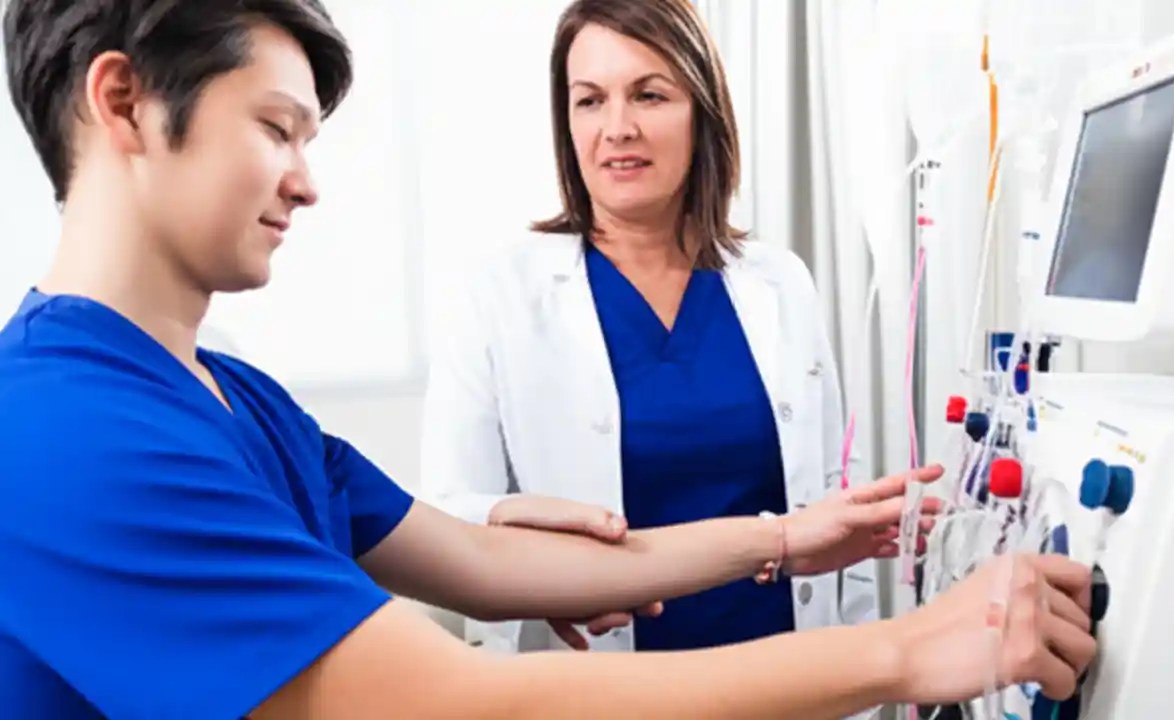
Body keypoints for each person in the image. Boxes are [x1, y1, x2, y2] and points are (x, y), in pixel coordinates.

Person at [0, 1, 1097, 718]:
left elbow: (493, 565)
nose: (305, 179)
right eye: (278, 129)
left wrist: (786, 538)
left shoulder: (236, 401)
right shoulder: (61, 433)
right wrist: (911, 652)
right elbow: (458, 703)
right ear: (123, 103)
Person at [421, 0, 877, 654]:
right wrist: (532, 555)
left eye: (649, 94)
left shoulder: (780, 284)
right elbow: (444, 519)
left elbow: (841, 511)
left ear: (703, 111)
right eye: (589, 100)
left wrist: (860, 681)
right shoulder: (499, 297)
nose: (617, 127)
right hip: (610, 687)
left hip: (786, 677)